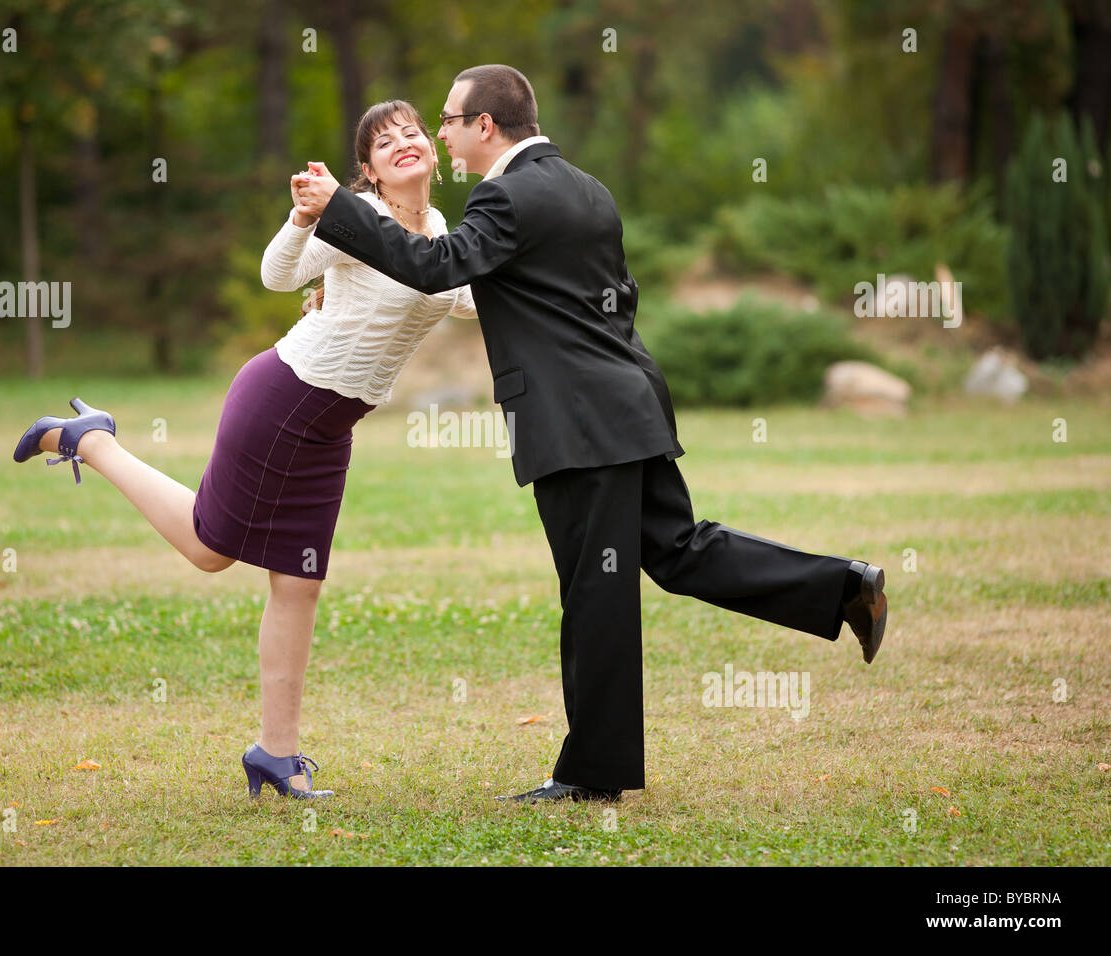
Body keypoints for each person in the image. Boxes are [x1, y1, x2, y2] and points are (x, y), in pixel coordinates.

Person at [292, 64, 889, 804]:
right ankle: (845, 588)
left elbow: (438, 263)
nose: (439, 132)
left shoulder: (505, 194)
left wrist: (340, 215)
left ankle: (590, 773)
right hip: (628, 405)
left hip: (579, 424)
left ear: (485, 126)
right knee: (677, 550)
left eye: (447, 119)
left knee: (595, 590)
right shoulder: (586, 187)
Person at [12, 99, 476, 799]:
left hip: (332, 424)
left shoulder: (439, 230)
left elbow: (460, 293)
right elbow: (278, 276)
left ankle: (276, 754)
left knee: (301, 580)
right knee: (209, 549)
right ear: (370, 173)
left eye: (413, 132)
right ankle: (92, 441)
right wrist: (301, 219)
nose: (404, 143)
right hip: (283, 397)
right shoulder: (354, 218)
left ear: (434, 154)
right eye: (384, 143)